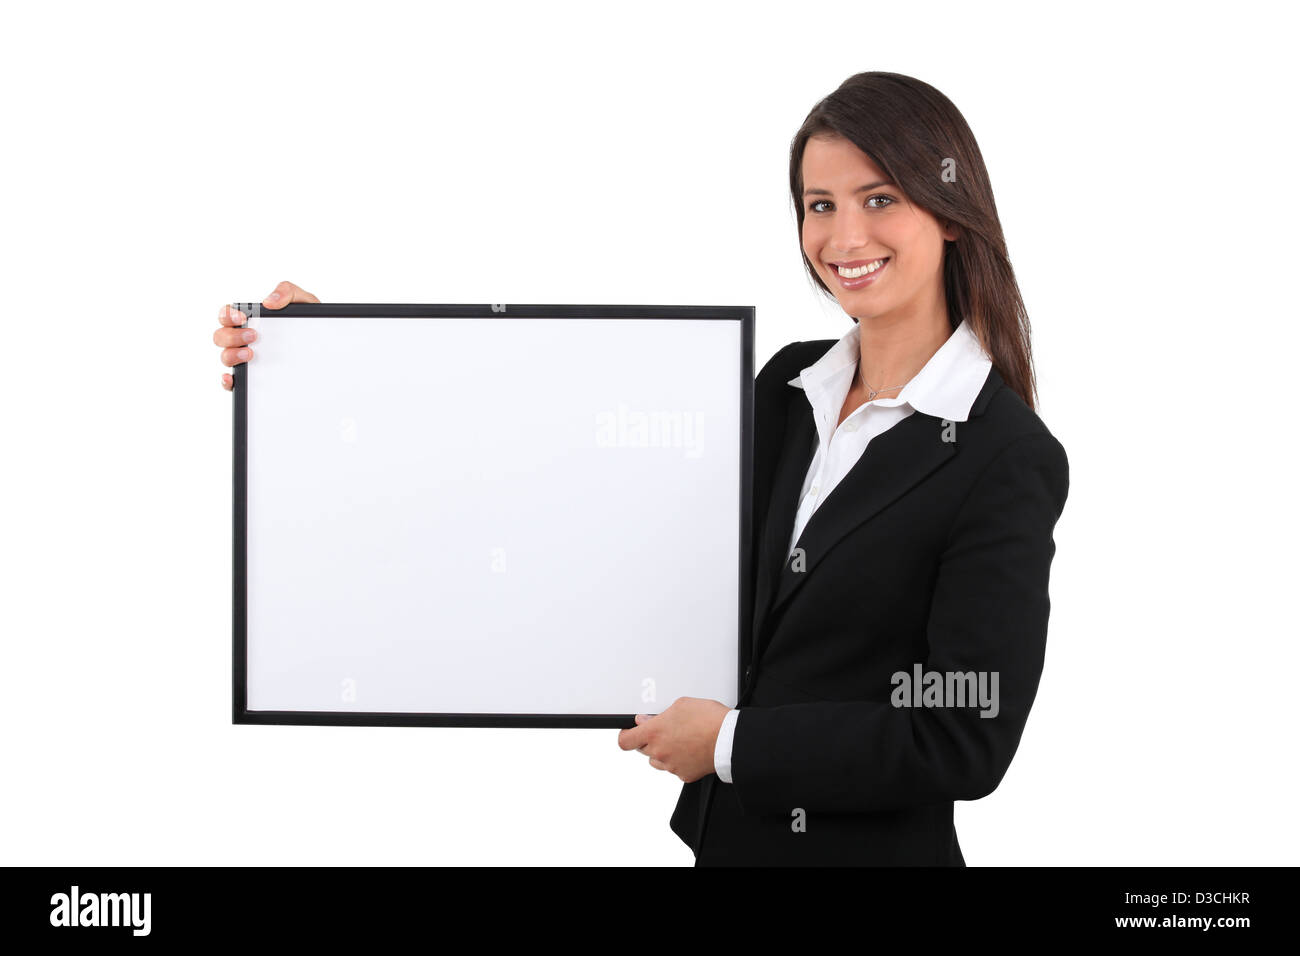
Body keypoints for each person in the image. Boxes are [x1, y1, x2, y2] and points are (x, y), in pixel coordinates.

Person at [211, 70, 1068, 867]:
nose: (844, 236)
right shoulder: (788, 389)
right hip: (728, 847)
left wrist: (731, 745)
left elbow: (965, 735)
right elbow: (572, 468)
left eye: (879, 198)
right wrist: (332, 363)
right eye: (819, 204)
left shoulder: (1004, 458)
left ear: (951, 212)